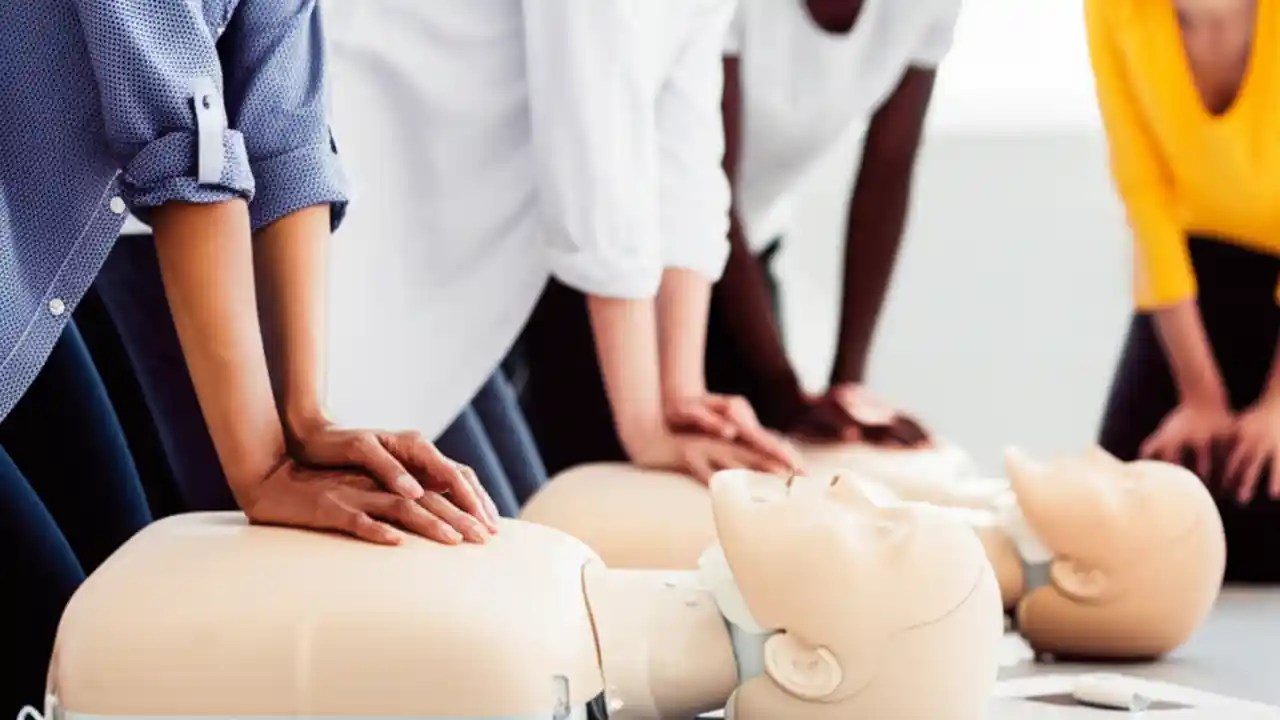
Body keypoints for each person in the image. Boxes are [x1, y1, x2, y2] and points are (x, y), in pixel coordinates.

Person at [0, 2, 498, 713]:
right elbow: (180, 136)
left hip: (21, 279)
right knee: (60, 654)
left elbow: (285, 132)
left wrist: (304, 417)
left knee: (123, 625)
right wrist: (260, 464)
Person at [322, 0, 798, 490]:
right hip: (355, 234)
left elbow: (686, 144)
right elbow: (597, 137)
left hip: (444, 291)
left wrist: (684, 395)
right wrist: (643, 425)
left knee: (512, 532)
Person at [709, 0, 962, 446]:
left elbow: (885, 178)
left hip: (751, 247)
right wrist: (782, 392)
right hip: (631, 260)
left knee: (779, 461)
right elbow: (709, 190)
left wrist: (849, 393)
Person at [1088, 0, 1279, 581]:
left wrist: (1276, 405)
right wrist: (1201, 397)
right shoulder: (1112, 10)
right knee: (1129, 524)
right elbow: (1144, 194)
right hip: (1194, 280)